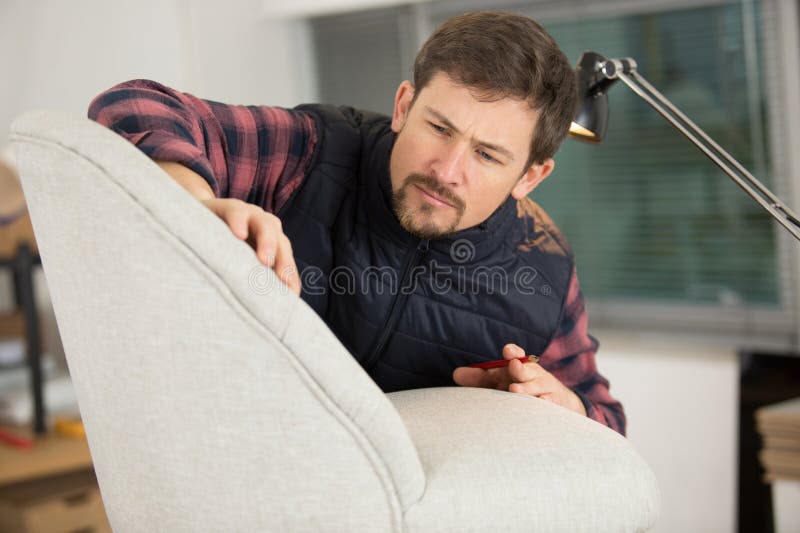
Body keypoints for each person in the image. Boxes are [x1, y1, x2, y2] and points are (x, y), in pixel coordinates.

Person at [88, 11, 625, 435]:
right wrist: (196, 203)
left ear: (530, 176)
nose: (446, 171)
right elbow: (131, 104)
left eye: (487, 155)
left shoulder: (544, 266)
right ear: (404, 106)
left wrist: (561, 404)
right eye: (439, 128)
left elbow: (606, 419)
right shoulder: (313, 151)